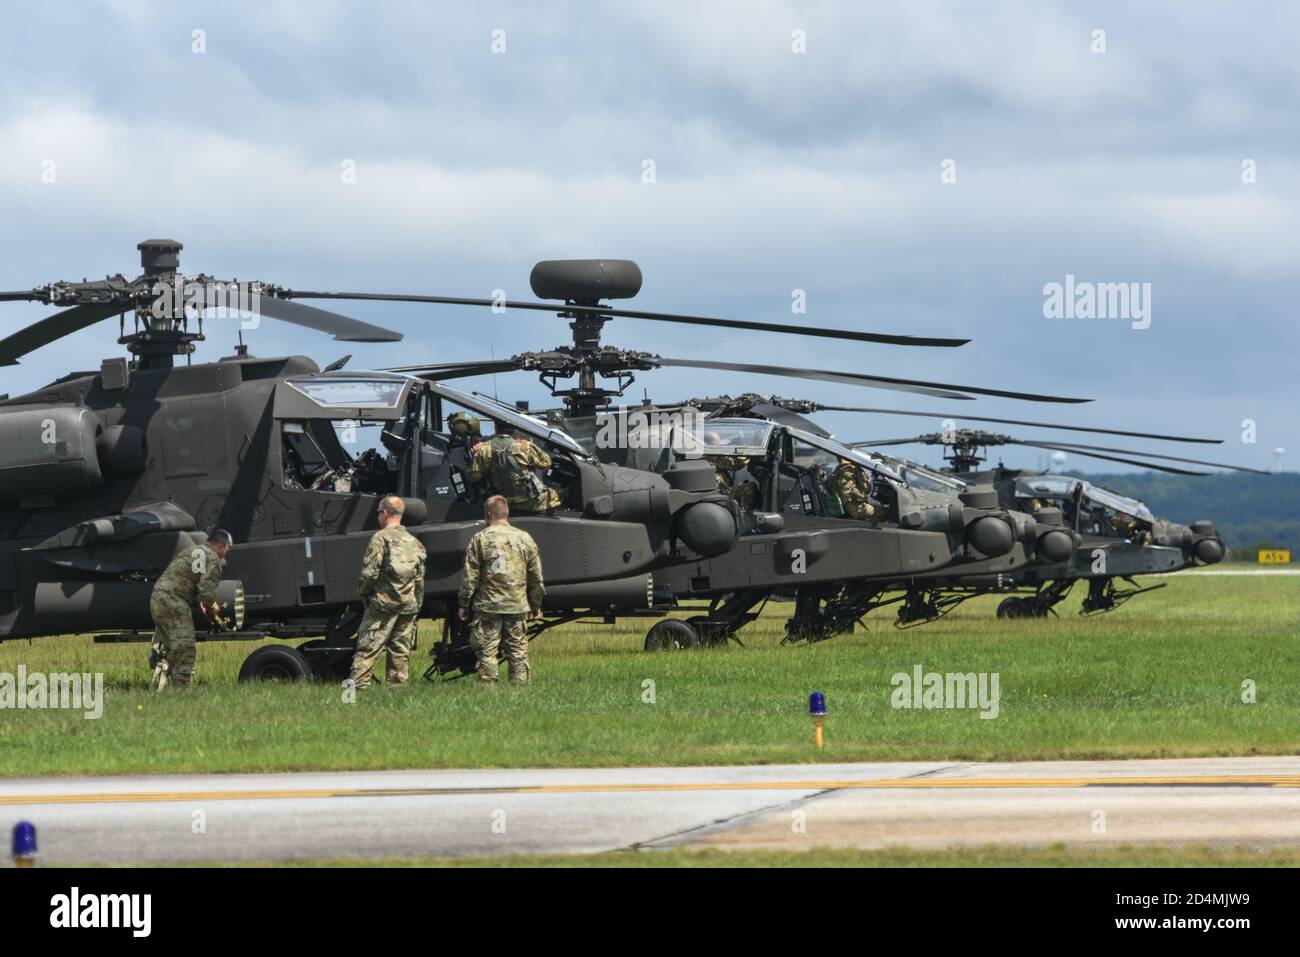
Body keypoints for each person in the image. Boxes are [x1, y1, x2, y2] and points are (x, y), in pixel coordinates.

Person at [457, 495, 545, 685]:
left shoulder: (479, 539)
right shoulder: (524, 538)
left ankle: (488, 690)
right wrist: (536, 603)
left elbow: (470, 576)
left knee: (487, 652)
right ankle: (520, 691)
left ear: (488, 514)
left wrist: (464, 603)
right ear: (507, 513)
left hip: (488, 607)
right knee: (518, 653)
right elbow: (536, 577)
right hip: (516, 606)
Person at [350, 495, 427, 689]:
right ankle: (397, 696)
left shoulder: (380, 538)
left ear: (384, 513)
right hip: (408, 606)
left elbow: (369, 573)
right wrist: (416, 605)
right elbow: (419, 580)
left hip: (382, 605)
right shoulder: (414, 542)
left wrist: (364, 594)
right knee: (400, 653)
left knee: (366, 651)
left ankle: (352, 696)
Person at [149, 529, 233, 689]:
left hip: (158, 600)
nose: (228, 552)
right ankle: (182, 693)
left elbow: (184, 579)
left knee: (174, 649)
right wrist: (212, 606)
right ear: (222, 546)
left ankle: (166, 688)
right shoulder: (214, 559)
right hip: (174, 604)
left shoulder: (192, 551)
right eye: (228, 548)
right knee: (185, 649)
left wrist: (197, 601)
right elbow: (206, 590)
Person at [468, 428, 561, 513]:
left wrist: (476, 455)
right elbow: (546, 463)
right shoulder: (523, 446)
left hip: (501, 503)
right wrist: (530, 445)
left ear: (495, 428)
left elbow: (474, 476)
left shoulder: (484, 448)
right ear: (514, 431)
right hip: (527, 501)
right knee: (552, 495)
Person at [702, 430, 757, 508]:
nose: (719, 444)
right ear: (709, 443)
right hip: (720, 494)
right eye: (717, 441)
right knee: (749, 487)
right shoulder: (711, 457)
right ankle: (744, 514)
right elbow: (735, 464)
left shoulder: (706, 455)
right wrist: (750, 453)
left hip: (718, 492)